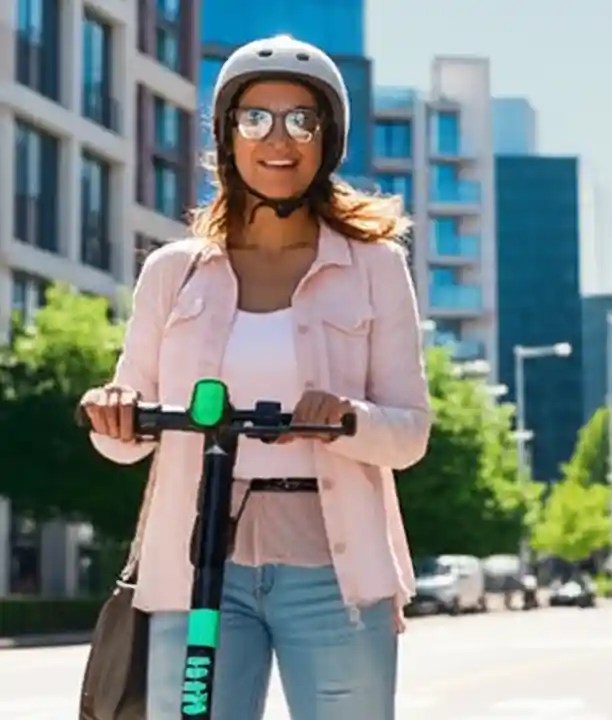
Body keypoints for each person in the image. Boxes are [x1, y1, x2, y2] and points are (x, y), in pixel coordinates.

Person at [77, 34, 430, 719]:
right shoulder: (172, 273)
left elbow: (409, 433)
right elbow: (122, 440)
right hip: (192, 566)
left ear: (327, 139)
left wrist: (349, 419)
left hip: (334, 571)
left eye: (303, 119)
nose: (280, 138)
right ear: (227, 135)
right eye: (256, 118)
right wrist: (115, 411)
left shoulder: (374, 267)